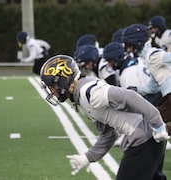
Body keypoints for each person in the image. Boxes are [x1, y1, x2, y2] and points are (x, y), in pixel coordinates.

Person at [40, 54, 169, 179]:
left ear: (65, 79)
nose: (52, 91)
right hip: (150, 138)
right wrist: (88, 157)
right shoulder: (82, 95)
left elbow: (130, 96)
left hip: (144, 139)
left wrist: (157, 124)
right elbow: (109, 134)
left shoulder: (89, 93)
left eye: (53, 86)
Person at [122, 23, 171, 137]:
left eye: (129, 46)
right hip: (168, 98)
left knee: (149, 122)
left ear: (137, 43)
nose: (128, 50)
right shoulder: (149, 58)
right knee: (149, 123)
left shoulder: (152, 55)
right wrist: (135, 89)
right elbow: (153, 87)